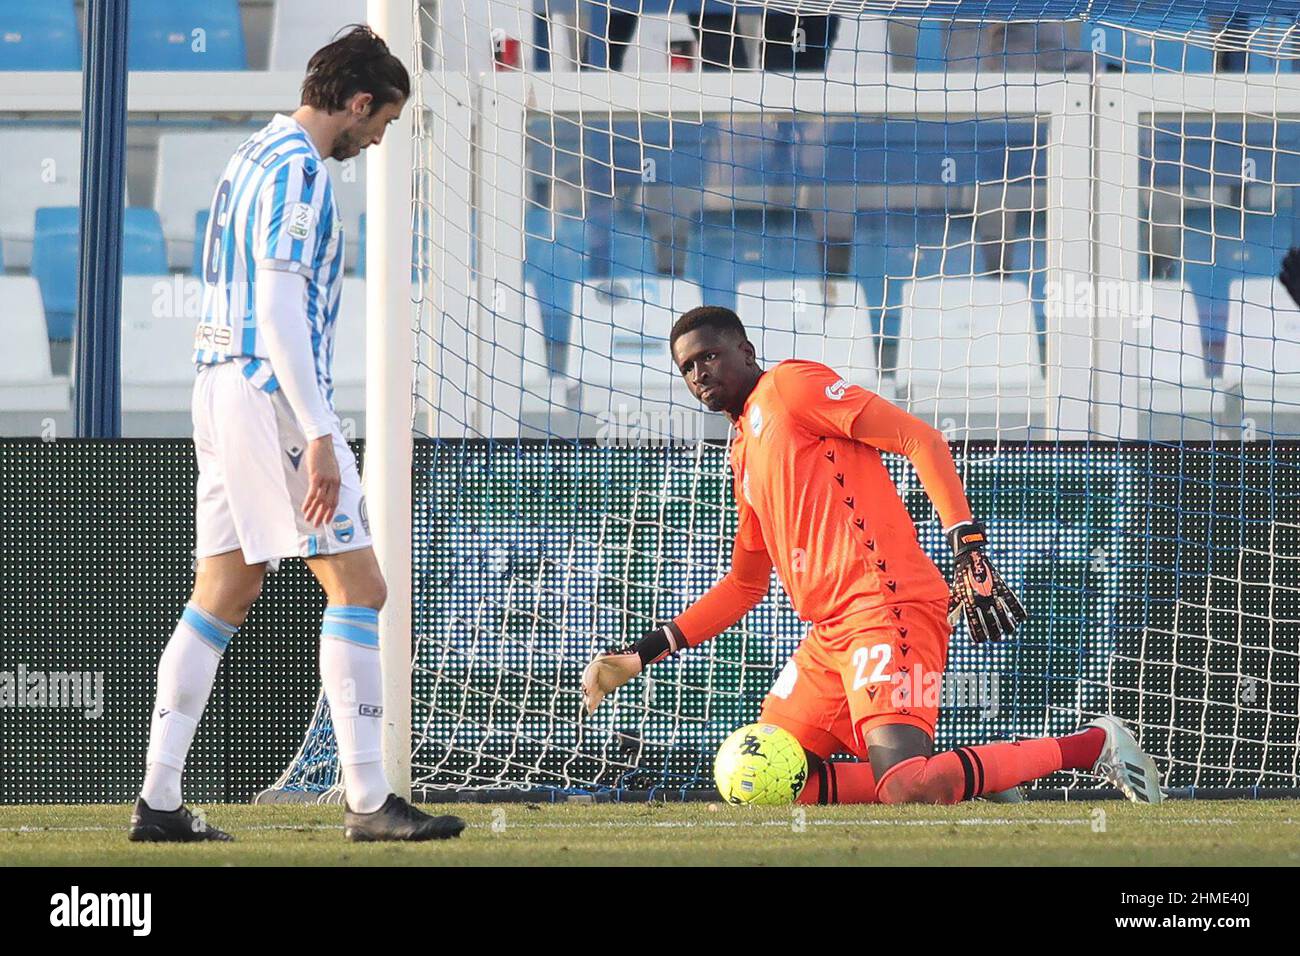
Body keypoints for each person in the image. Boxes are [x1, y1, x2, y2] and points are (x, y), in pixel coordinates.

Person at [582, 305, 1164, 805]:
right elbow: (744, 585)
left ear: (745, 349)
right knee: (768, 782)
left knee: (907, 788)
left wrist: (968, 546)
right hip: (827, 638)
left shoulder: (790, 387)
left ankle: (1094, 744)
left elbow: (920, 438)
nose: (698, 372)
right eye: (687, 367)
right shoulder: (741, 451)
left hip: (887, 608)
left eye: (708, 355)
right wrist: (639, 655)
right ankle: (968, 777)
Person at [129, 26, 464, 843]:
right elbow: (278, 309)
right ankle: (368, 801)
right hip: (268, 394)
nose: (378, 137)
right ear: (356, 103)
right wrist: (318, 430)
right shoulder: (301, 173)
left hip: (218, 386)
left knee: (222, 595)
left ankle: (160, 801)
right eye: (381, 120)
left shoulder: (253, 155)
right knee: (361, 587)